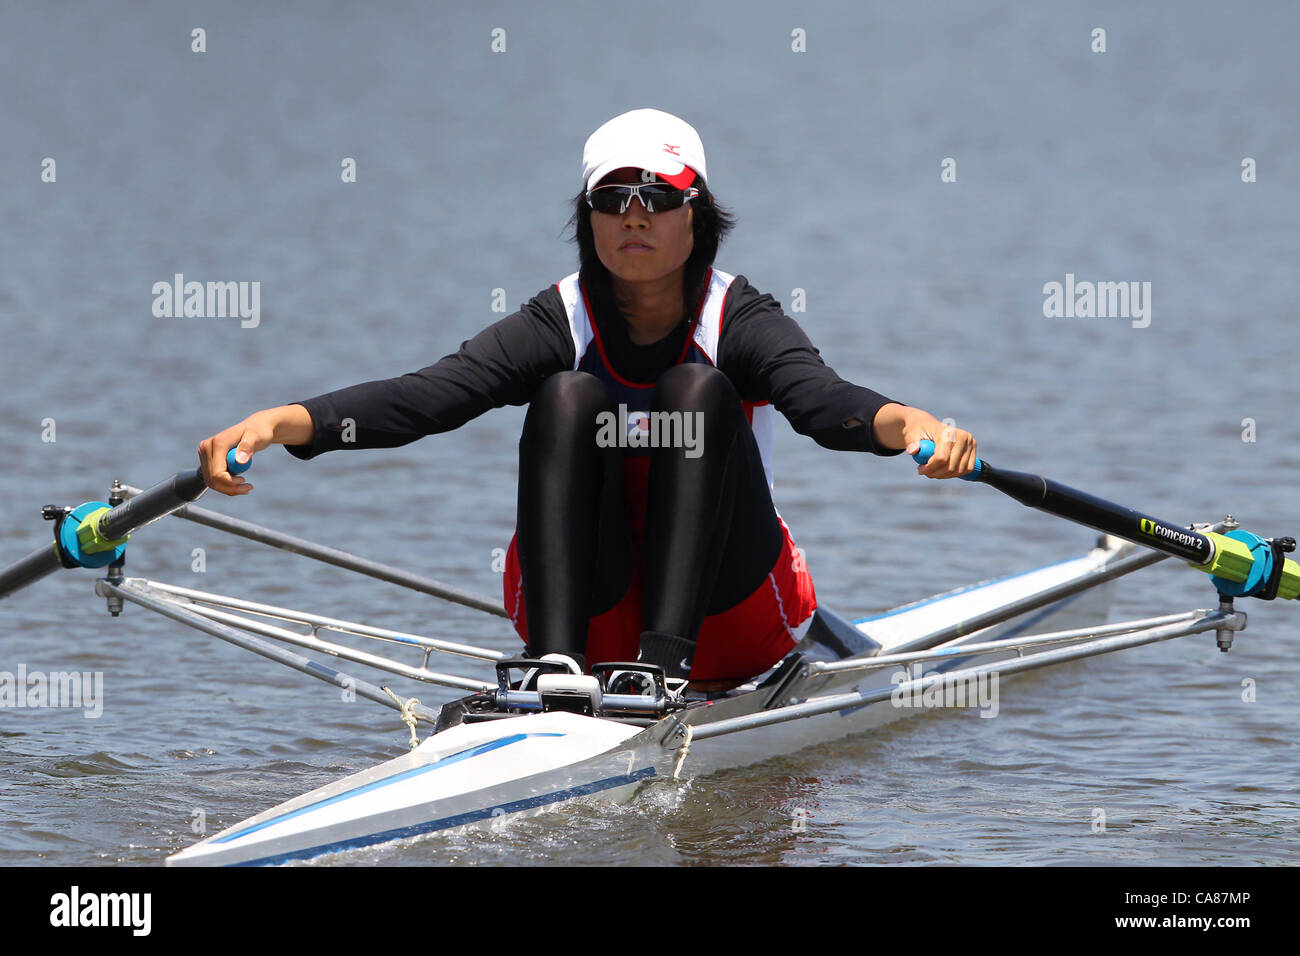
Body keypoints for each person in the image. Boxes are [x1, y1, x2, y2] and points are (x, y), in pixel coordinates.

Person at [198, 108, 977, 691]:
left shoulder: (738, 318)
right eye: (613, 199)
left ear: (696, 216)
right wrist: (280, 422)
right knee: (568, 395)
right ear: (588, 218)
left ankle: (661, 671)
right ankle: (555, 667)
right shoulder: (560, 318)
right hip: (589, 608)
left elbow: (822, 401)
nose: (634, 214)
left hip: (729, 622)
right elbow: (430, 396)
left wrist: (910, 424)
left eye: (656, 197)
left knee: (695, 391)